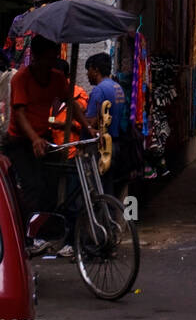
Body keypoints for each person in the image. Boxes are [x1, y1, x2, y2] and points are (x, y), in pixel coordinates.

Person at [1, 35, 91, 218]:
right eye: (47, 59)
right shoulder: (21, 79)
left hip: (44, 137)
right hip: (21, 141)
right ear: (35, 56)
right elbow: (19, 113)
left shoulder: (57, 78)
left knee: (53, 181)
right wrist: (34, 139)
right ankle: (29, 231)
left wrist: (87, 128)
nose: (50, 63)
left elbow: (71, 104)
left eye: (54, 58)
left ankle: (49, 226)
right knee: (33, 186)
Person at [85, 53, 127, 195]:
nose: (87, 74)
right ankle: (109, 215)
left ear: (96, 70)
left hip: (101, 146)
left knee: (98, 188)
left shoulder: (99, 90)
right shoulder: (118, 88)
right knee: (108, 187)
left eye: (88, 70)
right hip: (116, 144)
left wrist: (78, 115)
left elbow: (92, 121)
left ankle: (100, 216)